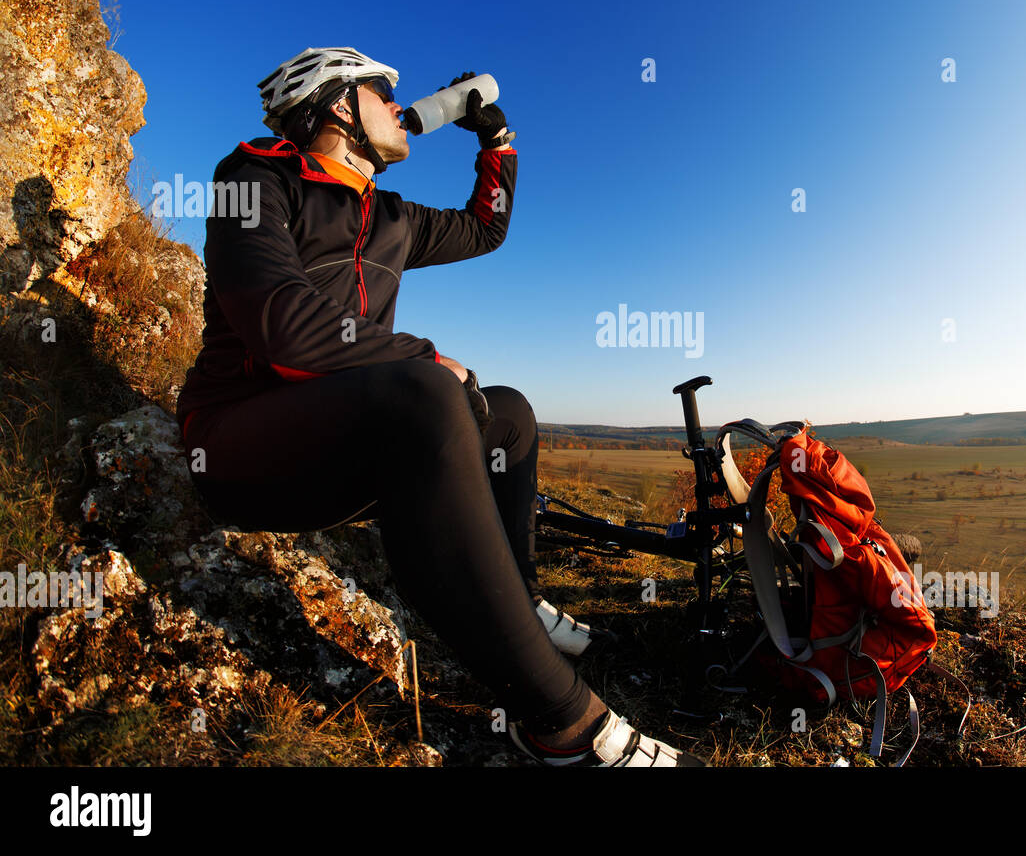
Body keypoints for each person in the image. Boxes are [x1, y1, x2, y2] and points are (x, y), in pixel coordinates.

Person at [173, 46, 704, 766]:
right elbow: (280, 324)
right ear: (334, 104)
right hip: (242, 442)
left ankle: (517, 605)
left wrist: (496, 139)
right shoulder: (256, 177)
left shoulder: (390, 215)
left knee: (508, 412)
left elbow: (486, 228)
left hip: (349, 442)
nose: (399, 104)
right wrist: (420, 360)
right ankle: (561, 723)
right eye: (379, 91)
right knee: (428, 388)